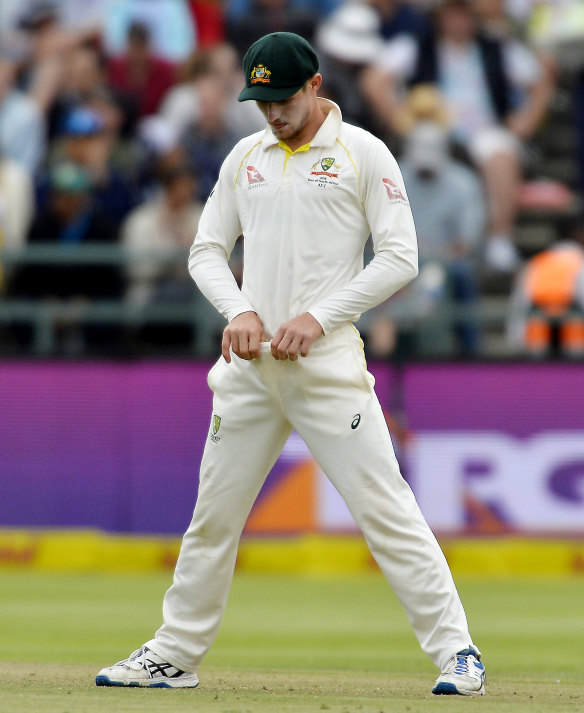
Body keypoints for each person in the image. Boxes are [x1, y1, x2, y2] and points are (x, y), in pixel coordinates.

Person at [95, 31, 486, 696]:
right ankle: (175, 652)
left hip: (327, 366)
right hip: (250, 370)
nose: (272, 113)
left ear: (314, 85)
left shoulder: (363, 153)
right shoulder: (246, 156)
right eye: (261, 100)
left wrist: (321, 317)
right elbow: (205, 250)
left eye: (282, 99)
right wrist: (239, 311)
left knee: (386, 511)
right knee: (212, 516)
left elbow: (401, 258)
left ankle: (459, 654)